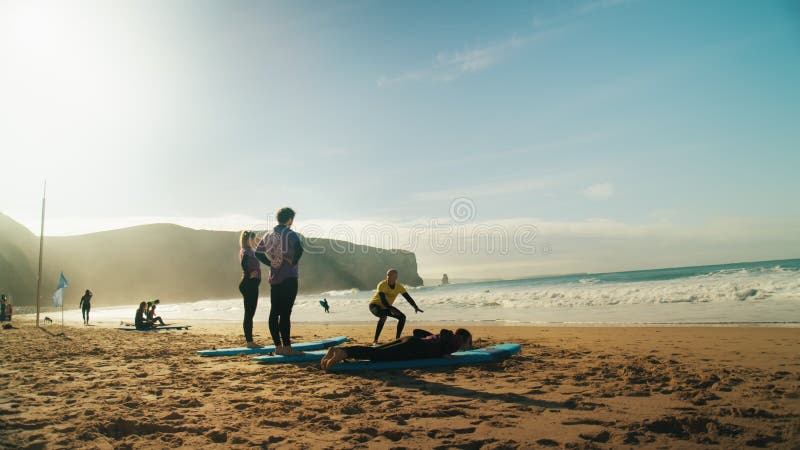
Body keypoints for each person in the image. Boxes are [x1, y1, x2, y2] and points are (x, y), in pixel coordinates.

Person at [256, 207, 304, 356]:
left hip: (275, 278)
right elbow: (299, 249)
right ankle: (288, 348)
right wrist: (293, 261)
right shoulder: (289, 233)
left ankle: (278, 346)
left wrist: (270, 263)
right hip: (289, 277)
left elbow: (258, 253)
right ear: (289, 219)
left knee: (274, 313)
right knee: (285, 314)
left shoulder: (268, 235)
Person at [320, 328, 472, 369]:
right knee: (378, 355)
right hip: (414, 347)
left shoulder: (440, 336)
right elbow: (447, 342)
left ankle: (336, 350)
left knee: (377, 351)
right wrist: (445, 353)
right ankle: (344, 352)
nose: (467, 346)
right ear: (464, 339)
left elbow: (417, 331)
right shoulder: (457, 341)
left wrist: (437, 343)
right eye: (468, 343)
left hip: (409, 340)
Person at [369, 269, 424, 345]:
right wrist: (391, 309)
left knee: (402, 317)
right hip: (375, 305)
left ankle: (397, 339)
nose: (388, 277)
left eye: (391, 275)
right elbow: (383, 300)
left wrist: (415, 306)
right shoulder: (382, 284)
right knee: (383, 316)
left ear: (396, 277)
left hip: (387, 307)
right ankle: (375, 340)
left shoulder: (399, 287)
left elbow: (407, 297)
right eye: (387, 275)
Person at [239, 230, 267, 348]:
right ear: (247, 239)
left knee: (249, 313)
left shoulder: (247, 250)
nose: (255, 240)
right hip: (249, 284)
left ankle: (249, 341)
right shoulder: (247, 251)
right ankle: (250, 342)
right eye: (253, 238)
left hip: (248, 284)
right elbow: (244, 262)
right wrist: (250, 273)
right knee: (249, 314)